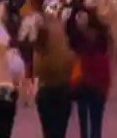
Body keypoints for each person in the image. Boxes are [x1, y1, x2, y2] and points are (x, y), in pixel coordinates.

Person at [67, 7, 111, 138]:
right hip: (98, 82)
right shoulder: (101, 37)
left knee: (82, 116)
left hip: (83, 80)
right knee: (96, 120)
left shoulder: (76, 38)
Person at [32, 14, 76, 138]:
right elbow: (71, 65)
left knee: (48, 131)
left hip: (46, 91)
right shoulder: (65, 53)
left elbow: (36, 71)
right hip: (63, 90)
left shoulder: (40, 52)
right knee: (60, 131)